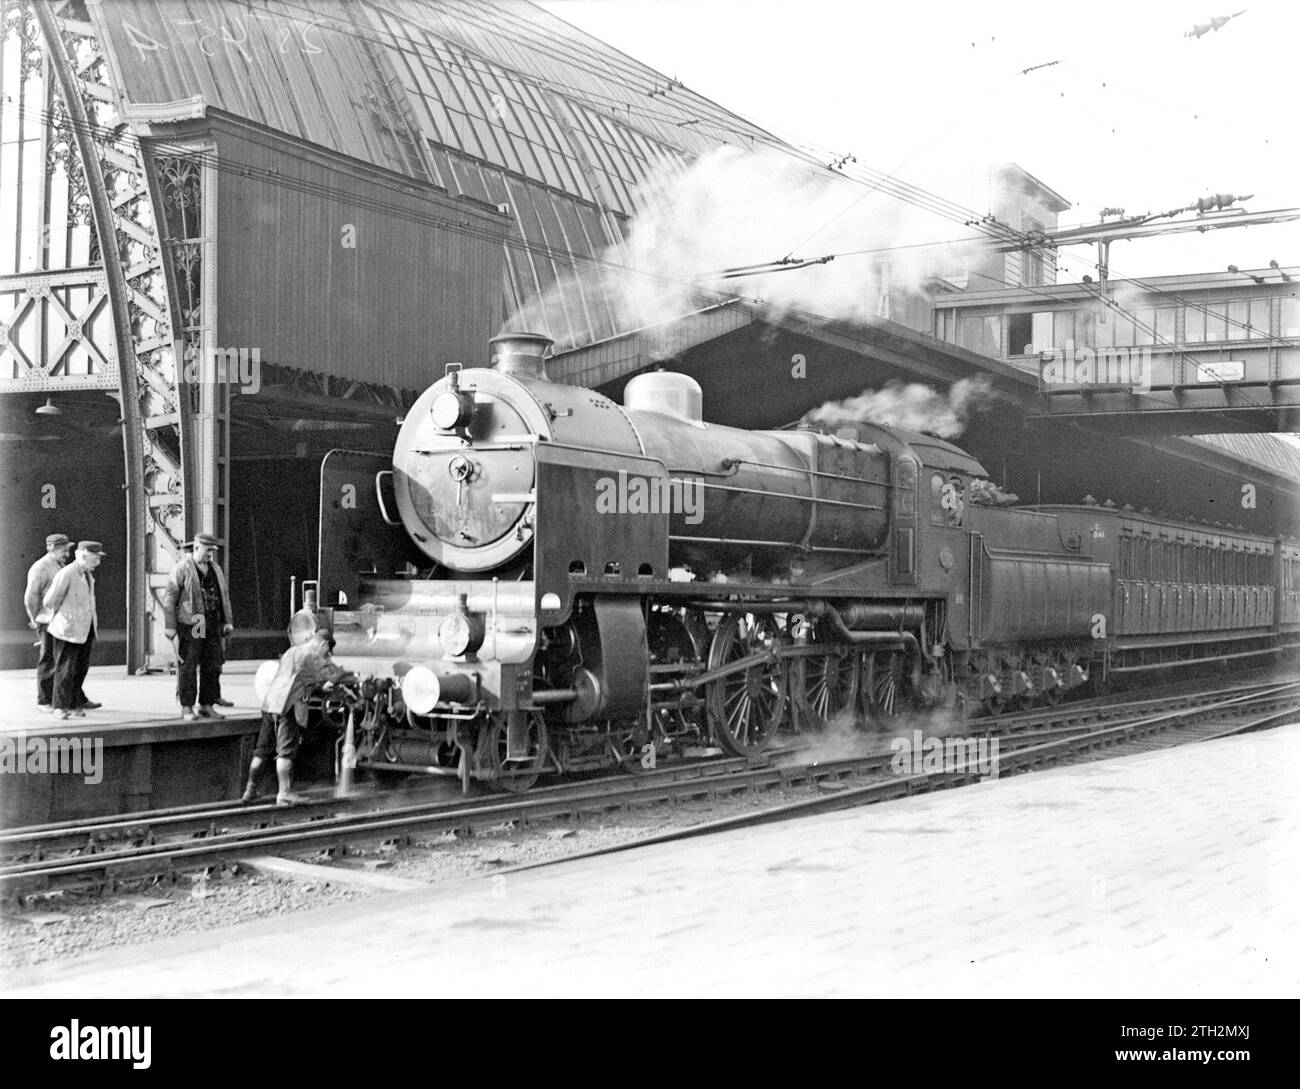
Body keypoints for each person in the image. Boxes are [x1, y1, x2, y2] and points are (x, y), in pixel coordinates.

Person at [243, 633, 355, 806]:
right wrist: (358, 676)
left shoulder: (292, 651)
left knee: (262, 749)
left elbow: (298, 676)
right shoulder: (313, 655)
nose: (329, 655)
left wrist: (318, 687)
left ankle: (250, 790)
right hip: (289, 705)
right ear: (323, 644)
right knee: (286, 750)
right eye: (328, 652)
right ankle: (284, 793)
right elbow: (334, 674)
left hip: (270, 702)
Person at [163, 533, 234, 722]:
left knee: (212, 663)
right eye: (207, 550)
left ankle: (206, 704)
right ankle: (187, 707)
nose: (210, 554)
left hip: (211, 622)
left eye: (212, 550)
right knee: (190, 662)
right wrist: (170, 627)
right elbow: (170, 597)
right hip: (195, 621)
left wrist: (228, 621)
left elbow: (223, 596)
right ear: (196, 548)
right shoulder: (182, 568)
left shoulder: (216, 569)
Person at [24, 533, 96, 711]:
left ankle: (75, 698)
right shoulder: (40, 567)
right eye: (63, 550)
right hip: (46, 619)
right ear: (51, 548)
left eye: (67, 549)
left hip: (59, 618)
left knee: (67, 662)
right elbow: (31, 597)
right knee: (48, 660)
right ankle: (44, 700)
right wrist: (34, 619)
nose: (67, 553)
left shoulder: (59, 565)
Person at [42, 541, 104, 720]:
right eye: (96, 558)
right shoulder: (67, 573)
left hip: (85, 628)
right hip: (67, 629)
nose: (98, 562)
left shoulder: (87, 574)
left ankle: (74, 703)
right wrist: (65, 615)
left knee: (80, 668)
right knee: (65, 669)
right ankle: (59, 706)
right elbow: (49, 601)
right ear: (83, 555)